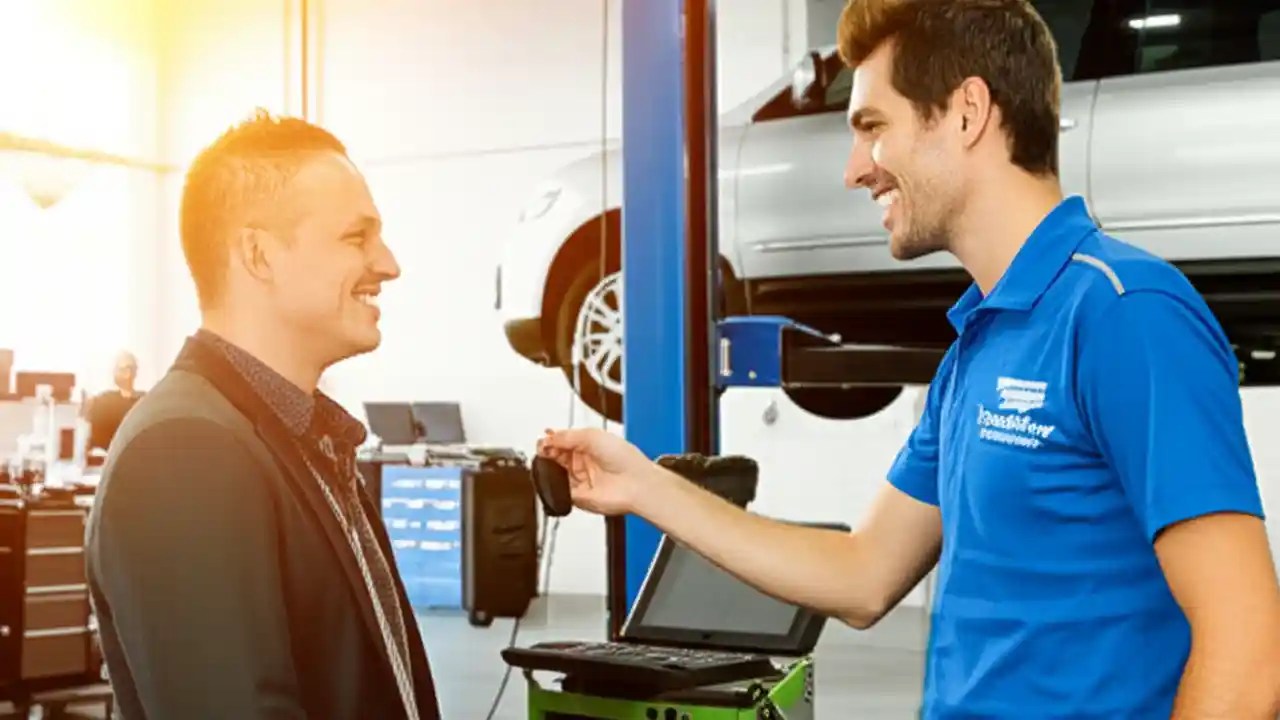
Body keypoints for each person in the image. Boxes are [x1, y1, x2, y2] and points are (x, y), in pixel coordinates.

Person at [538, 0, 1280, 717]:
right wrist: (643, 487)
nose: (854, 168)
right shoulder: (977, 349)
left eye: (871, 126)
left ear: (966, 112)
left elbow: (1248, 650)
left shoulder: (1125, 313)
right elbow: (864, 574)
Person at [85, 110, 440, 719]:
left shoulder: (305, 440)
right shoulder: (184, 453)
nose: (388, 264)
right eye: (357, 237)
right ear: (258, 254)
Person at [84, 351, 145, 452]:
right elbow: (98, 441)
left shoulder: (144, 401)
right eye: (123, 369)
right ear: (115, 371)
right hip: (110, 456)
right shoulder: (102, 402)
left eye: (131, 368)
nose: (128, 374)